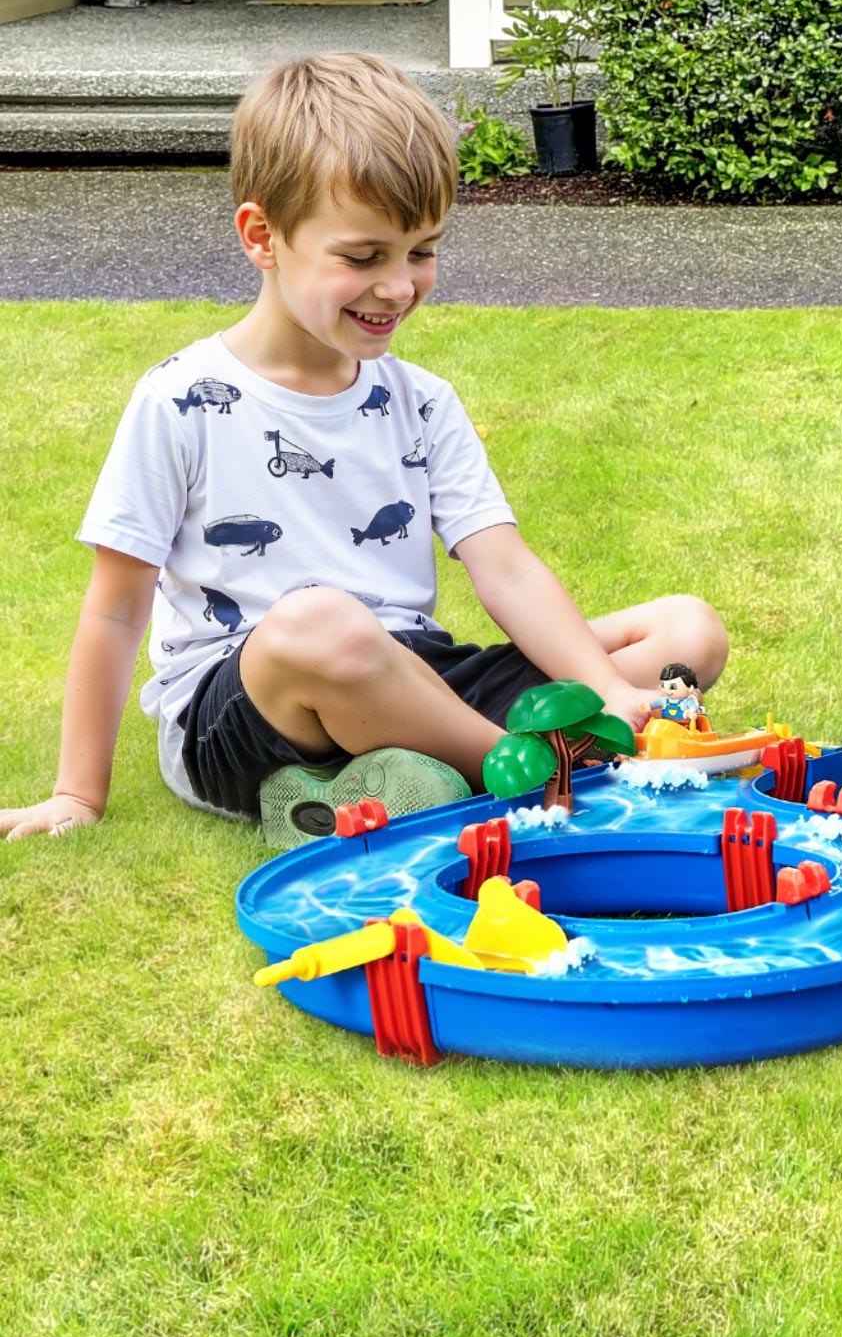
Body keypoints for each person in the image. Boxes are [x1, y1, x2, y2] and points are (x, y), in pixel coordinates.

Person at [1, 53, 726, 843]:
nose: (398, 286)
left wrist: (603, 689)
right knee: (321, 625)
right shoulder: (180, 399)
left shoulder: (422, 401)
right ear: (262, 237)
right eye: (363, 257)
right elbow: (114, 610)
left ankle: (404, 775)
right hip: (245, 702)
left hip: (405, 668)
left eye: (421, 251)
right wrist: (77, 794)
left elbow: (506, 567)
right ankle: (528, 773)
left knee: (687, 633)